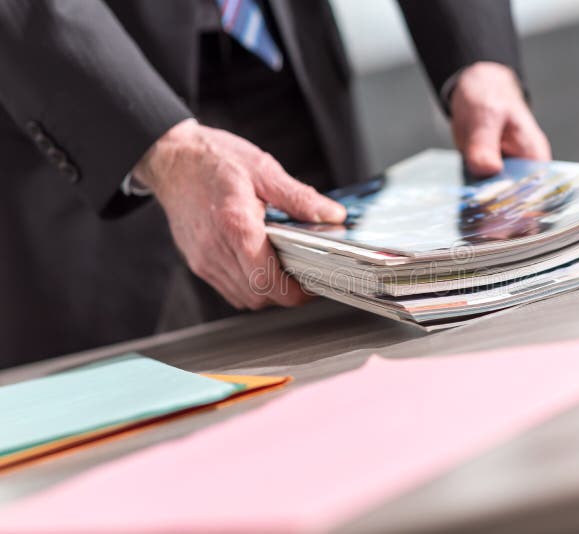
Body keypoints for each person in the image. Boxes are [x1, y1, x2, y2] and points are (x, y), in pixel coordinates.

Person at [0, 0, 551, 368]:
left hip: (293, 85)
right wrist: (164, 149)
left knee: (350, 397)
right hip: (88, 134)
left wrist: (478, 58)